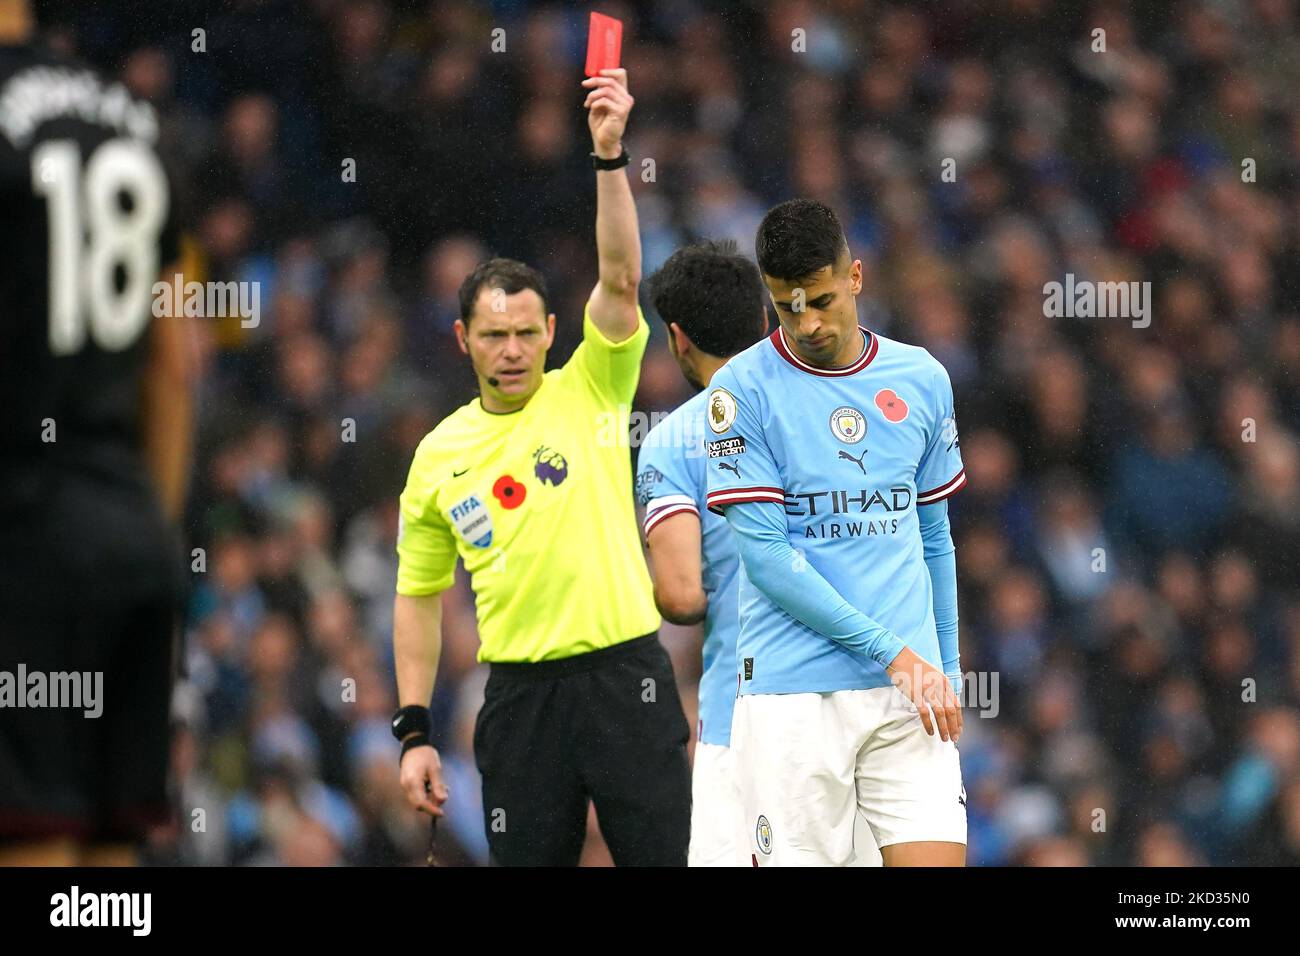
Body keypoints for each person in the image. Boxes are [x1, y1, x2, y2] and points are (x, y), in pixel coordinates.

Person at [391, 68, 691, 866]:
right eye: (494, 336)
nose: (514, 351)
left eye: (527, 333)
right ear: (462, 340)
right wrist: (414, 731)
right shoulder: (437, 457)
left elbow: (623, 276)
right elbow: (417, 599)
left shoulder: (592, 384)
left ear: (553, 329)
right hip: (519, 700)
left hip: (627, 679)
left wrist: (608, 156)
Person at [704, 198, 967, 866]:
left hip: (908, 692)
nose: (808, 323)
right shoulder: (740, 392)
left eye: (821, 300)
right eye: (787, 307)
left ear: (855, 276)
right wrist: (897, 654)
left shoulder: (921, 379)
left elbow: (934, 536)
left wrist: (947, 665)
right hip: (794, 694)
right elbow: (768, 560)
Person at [0, 0, 192, 865]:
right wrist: (158, 531)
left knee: (32, 838)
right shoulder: (132, 119)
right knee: (110, 860)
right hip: (132, 530)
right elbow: (176, 359)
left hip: (24, 529)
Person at [639, 239, 884, 867]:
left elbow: (683, 596)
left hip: (748, 712)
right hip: (866, 699)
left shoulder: (675, 441)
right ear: (764, 317)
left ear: (677, 338)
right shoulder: (838, 410)